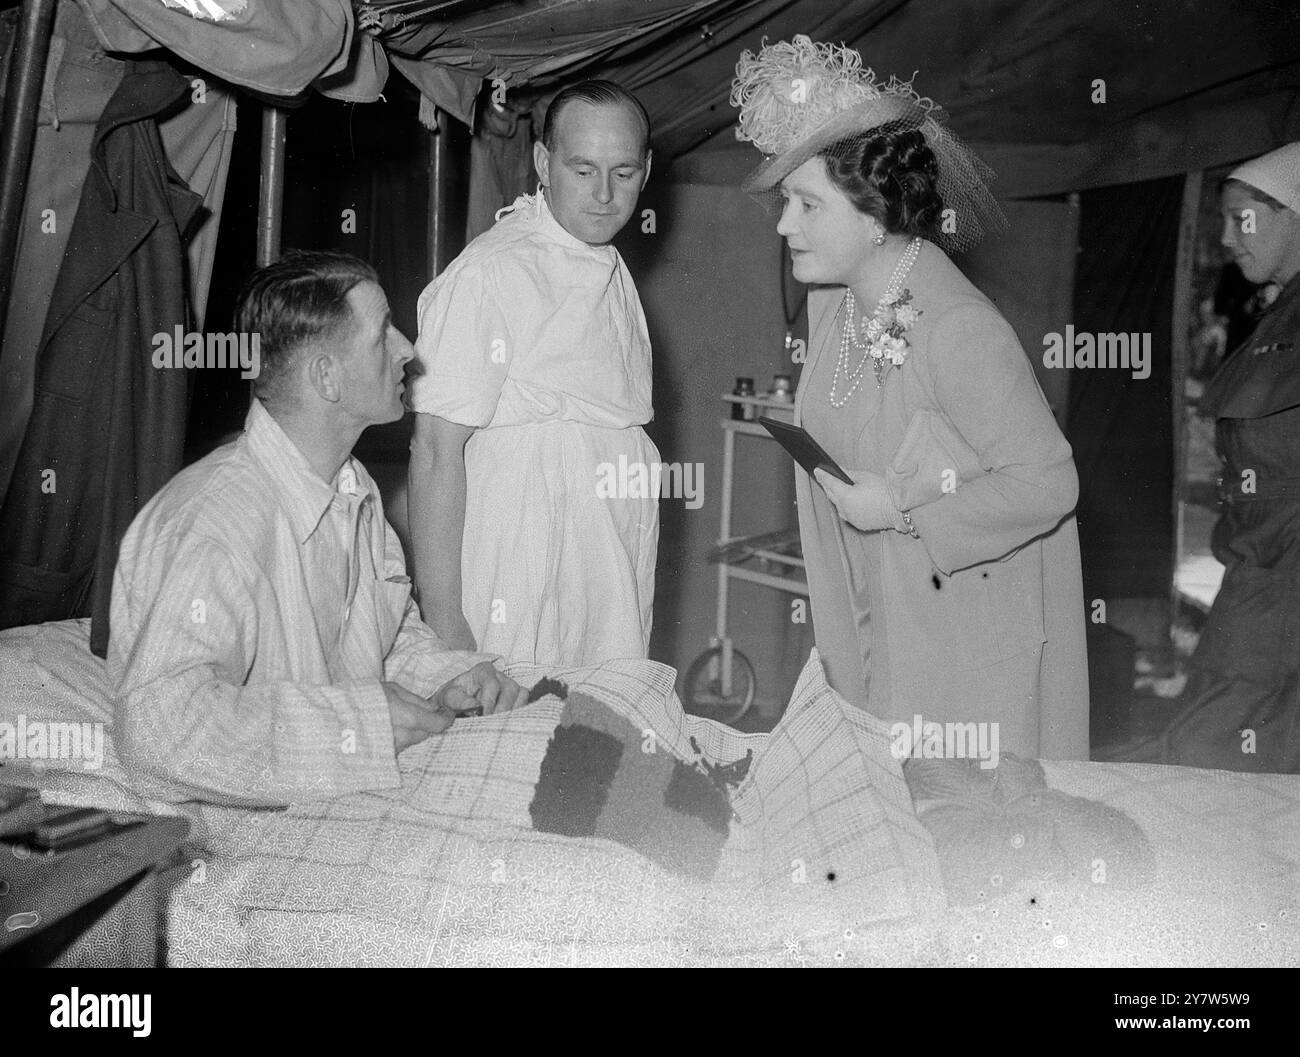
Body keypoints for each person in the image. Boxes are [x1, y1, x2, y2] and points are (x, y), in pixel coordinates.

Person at [729, 36, 1089, 760]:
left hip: (964, 646)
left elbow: (1049, 483)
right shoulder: (837, 302)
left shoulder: (960, 330)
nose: (783, 225)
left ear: (874, 216)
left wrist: (898, 506)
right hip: (877, 614)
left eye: (805, 204)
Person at [108, 251, 527, 807]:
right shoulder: (216, 522)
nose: (408, 350)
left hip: (323, 801)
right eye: (383, 335)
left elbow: (384, 641)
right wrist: (361, 726)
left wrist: (447, 679)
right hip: (221, 830)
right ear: (327, 377)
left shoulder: (353, 489)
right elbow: (162, 730)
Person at [407, 80, 658, 666]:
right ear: (543, 163)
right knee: (509, 730)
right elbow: (434, 452)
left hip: (607, 548)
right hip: (523, 546)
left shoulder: (611, 266)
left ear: (646, 171)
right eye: (581, 170)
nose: (603, 195)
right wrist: (445, 621)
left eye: (622, 173)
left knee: (597, 733)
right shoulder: (490, 272)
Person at [1146, 143, 1300, 772]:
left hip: (1281, 585)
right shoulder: (1279, 313)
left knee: (1213, 751)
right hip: (1259, 573)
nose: (1229, 238)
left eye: (1244, 219)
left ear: (1293, 213)